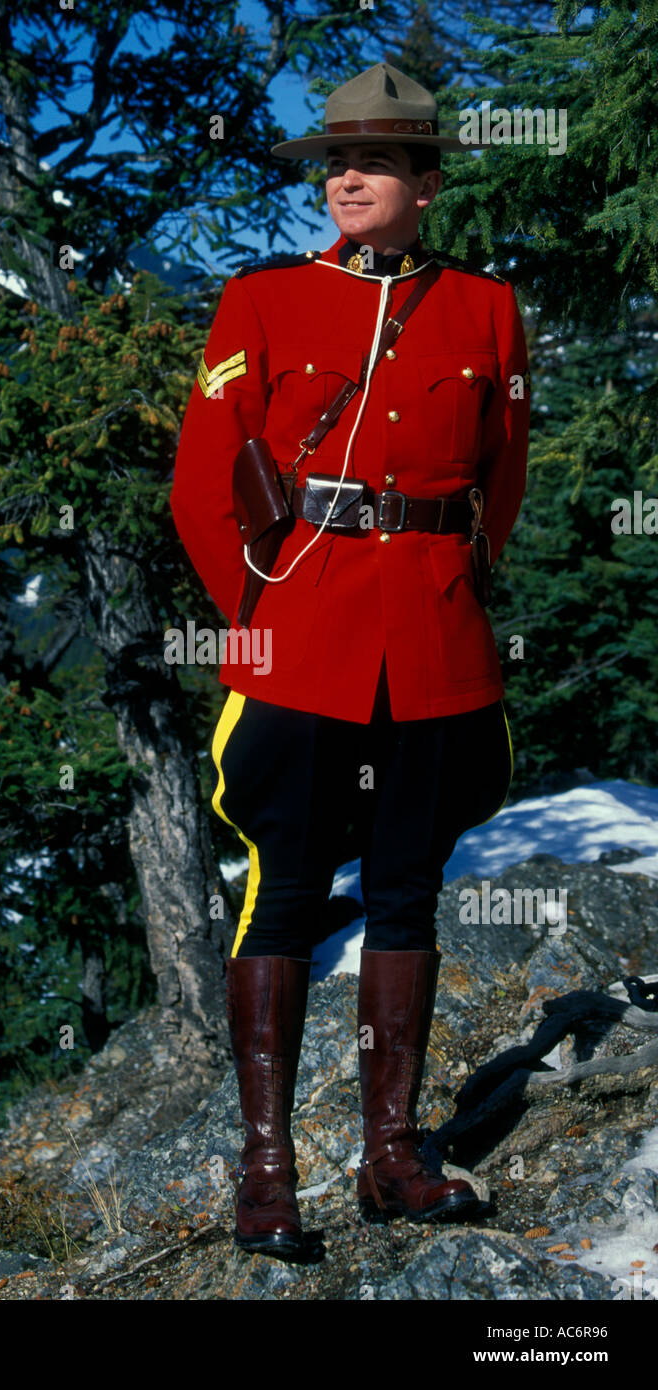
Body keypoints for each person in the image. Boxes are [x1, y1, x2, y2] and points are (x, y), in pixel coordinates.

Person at [170, 62, 530, 1257]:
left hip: (430, 645)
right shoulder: (261, 302)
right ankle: (266, 1174)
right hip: (300, 641)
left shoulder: (485, 309)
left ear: (427, 182)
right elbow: (200, 488)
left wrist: (449, 590)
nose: (346, 178)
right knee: (278, 894)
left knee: (405, 894)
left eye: (373, 163)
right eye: (335, 161)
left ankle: (391, 1152)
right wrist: (264, 614)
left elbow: (501, 480)